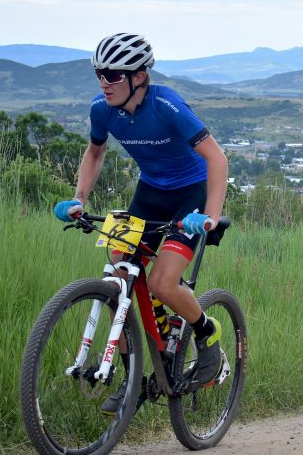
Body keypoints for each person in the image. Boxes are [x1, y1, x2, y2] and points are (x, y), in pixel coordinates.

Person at [53, 32, 229, 414]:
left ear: (139, 76)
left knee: (162, 282)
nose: (105, 81)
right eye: (100, 73)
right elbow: (94, 151)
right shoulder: (102, 110)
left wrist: (210, 218)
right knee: (121, 273)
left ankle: (205, 331)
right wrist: (78, 200)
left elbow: (217, 158)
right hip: (149, 194)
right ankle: (134, 381)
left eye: (114, 74)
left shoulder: (167, 105)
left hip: (189, 195)